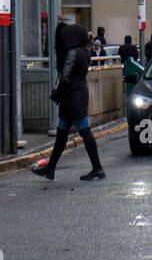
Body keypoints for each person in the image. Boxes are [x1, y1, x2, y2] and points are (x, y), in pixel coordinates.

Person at [32, 23, 104, 182]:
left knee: (82, 132)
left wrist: (57, 93)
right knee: (62, 134)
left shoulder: (72, 53)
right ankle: (50, 168)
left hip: (71, 97)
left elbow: (65, 76)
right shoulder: (85, 52)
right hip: (79, 93)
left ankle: (97, 168)